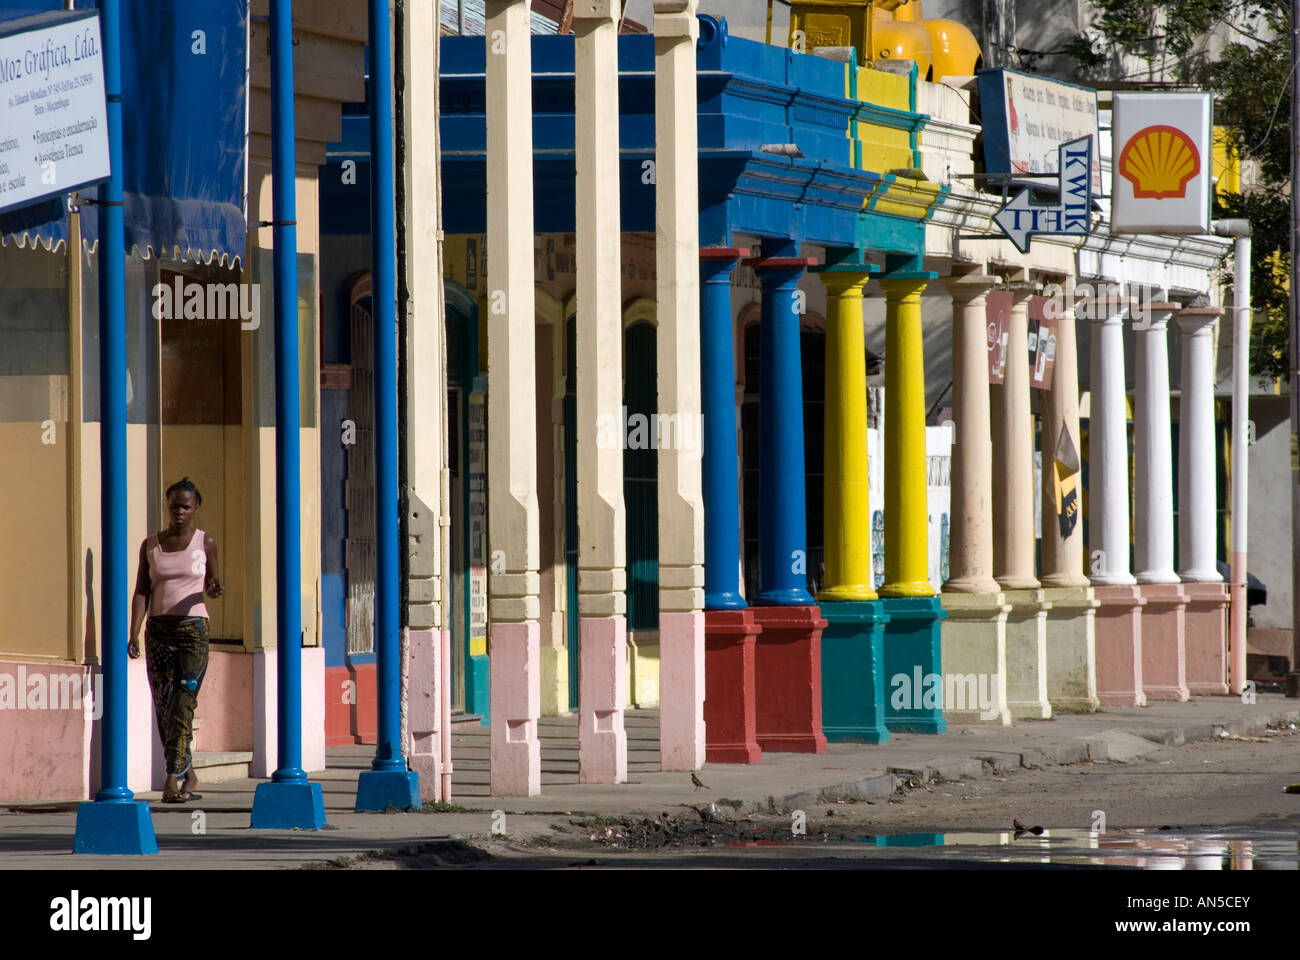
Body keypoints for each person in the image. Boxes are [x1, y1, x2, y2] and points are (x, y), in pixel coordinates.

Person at [128, 477, 223, 803]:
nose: (179, 511)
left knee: (184, 700)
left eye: (186, 506)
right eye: (174, 505)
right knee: (164, 706)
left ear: (196, 508)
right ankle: (190, 775)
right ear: (167, 506)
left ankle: (172, 778)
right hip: (158, 632)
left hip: (193, 631)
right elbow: (142, 589)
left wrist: (213, 589)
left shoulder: (205, 542)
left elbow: (213, 583)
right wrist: (134, 632)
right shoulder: (151, 544)